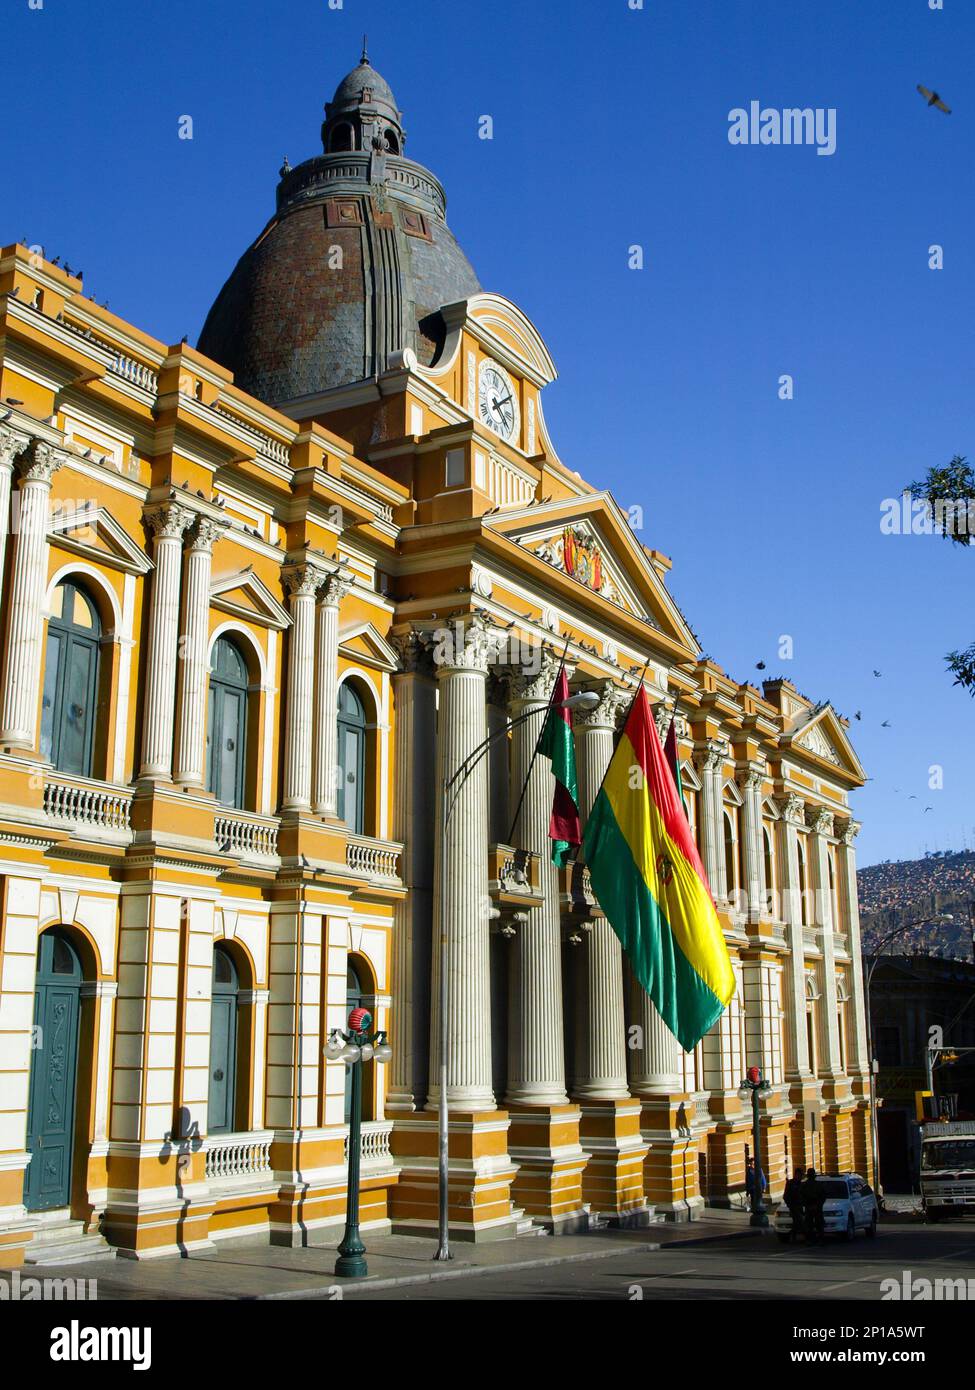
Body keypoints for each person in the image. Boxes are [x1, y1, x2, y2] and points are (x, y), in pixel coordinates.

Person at [802, 1166, 825, 1243]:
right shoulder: (816, 1185)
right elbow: (823, 1196)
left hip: (813, 1206)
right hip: (813, 1206)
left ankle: (812, 1240)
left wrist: (817, 1205)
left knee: (811, 1224)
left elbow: (822, 1196)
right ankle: (817, 1239)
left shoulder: (805, 1185)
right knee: (815, 1224)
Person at [784, 1165, 806, 1242]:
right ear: (796, 1174)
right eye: (800, 1175)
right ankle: (801, 1236)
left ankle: (793, 1235)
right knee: (799, 1220)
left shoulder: (802, 1184)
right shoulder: (790, 1183)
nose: (801, 1177)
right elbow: (786, 1196)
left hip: (800, 1206)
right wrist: (789, 1205)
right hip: (793, 1206)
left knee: (797, 1222)